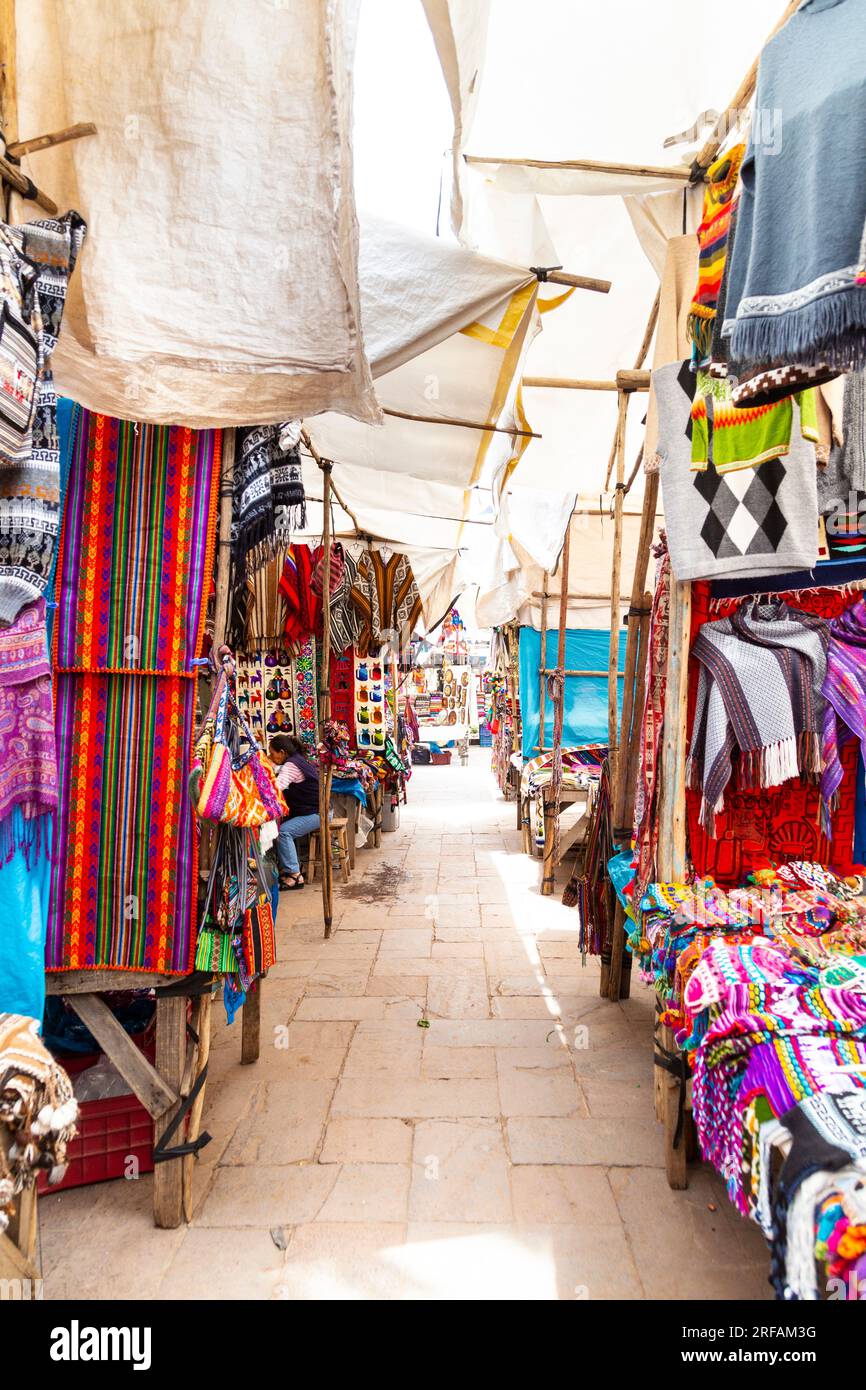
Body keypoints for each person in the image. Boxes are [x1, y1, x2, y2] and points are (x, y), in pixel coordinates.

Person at [268, 734, 320, 890]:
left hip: (318, 814)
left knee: (284, 832)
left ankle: (295, 875)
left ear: (282, 752)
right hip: (312, 811)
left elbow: (276, 788)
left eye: (272, 753)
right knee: (284, 826)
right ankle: (294, 867)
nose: (271, 757)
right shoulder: (297, 759)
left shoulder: (292, 765)